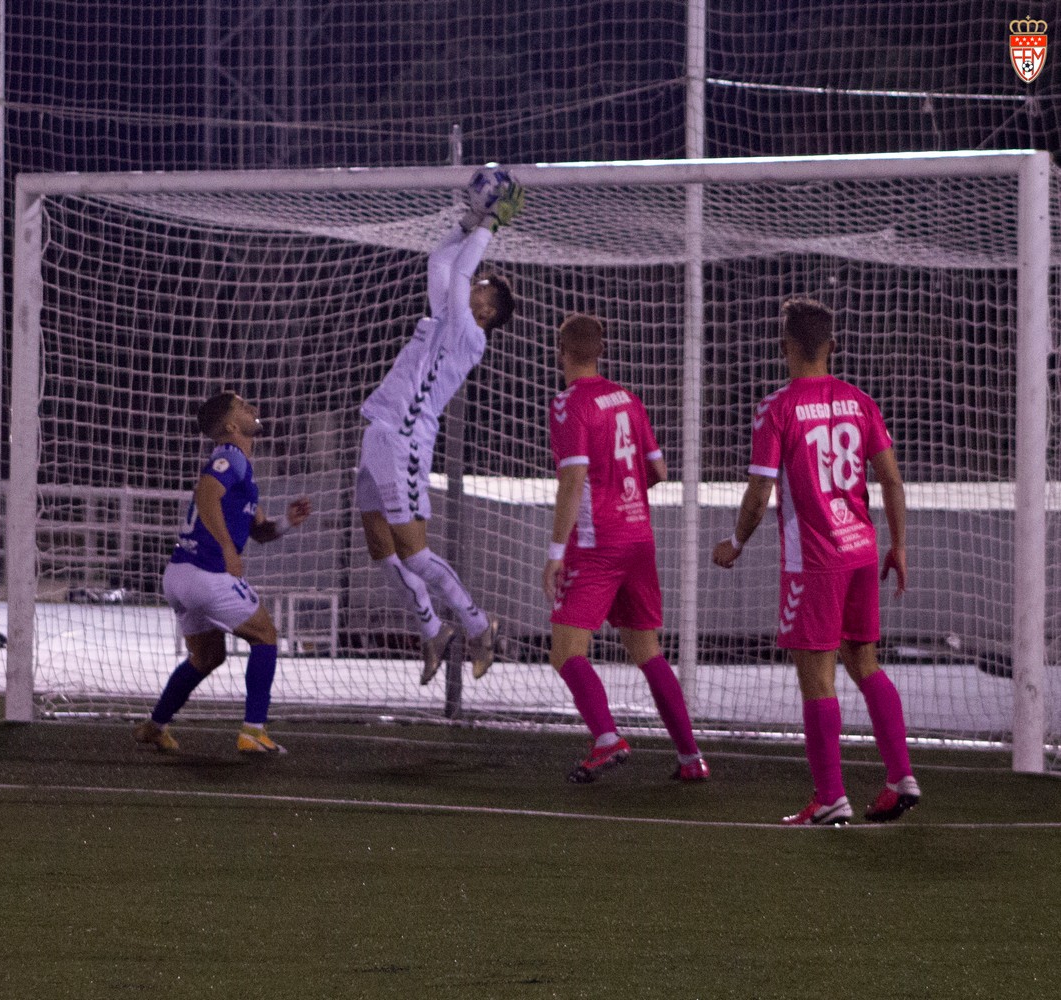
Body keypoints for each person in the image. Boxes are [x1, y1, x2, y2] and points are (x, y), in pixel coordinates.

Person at [713, 297, 919, 826]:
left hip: (816, 561)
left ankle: (830, 797)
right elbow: (892, 479)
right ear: (831, 346)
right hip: (861, 551)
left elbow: (760, 492)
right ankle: (900, 776)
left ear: (784, 346)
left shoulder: (777, 408)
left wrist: (735, 544)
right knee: (865, 665)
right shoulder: (859, 400)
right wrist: (897, 545)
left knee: (817, 679)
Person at [356, 168, 521, 685]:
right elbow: (440, 262)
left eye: (481, 289)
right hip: (377, 428)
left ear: (488, 311)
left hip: (404, 441)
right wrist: (466, 221)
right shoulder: (447, 319)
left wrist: (490, 224)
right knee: (378, 543)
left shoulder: (471, 337)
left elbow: (457, 274)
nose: (473, 287)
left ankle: (478, 624)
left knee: (416, 551)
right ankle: (432, 630)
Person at [543, 314, 708, 784]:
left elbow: (573, 479)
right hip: (639, 538)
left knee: (565, 651)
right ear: (601, 350)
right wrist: (624, 493)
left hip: (598, 544)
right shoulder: (629, 400)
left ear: (563, 352)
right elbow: (657, 471)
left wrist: (557, 551)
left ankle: (606, 739)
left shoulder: (568, 404)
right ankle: (690, 757)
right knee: (648, 652)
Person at [133, 391, 312, 754]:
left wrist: (287, 523)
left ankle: (155, 725)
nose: (254, 408)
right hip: (208, 572)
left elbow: (260, 532)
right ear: (232, 425)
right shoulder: (230, 456)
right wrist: (229, 549)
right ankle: (253, 731)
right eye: (245, 407)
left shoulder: (240, 467)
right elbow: (205, 495)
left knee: (207, 658)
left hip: (179, 575)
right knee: (265, 636)